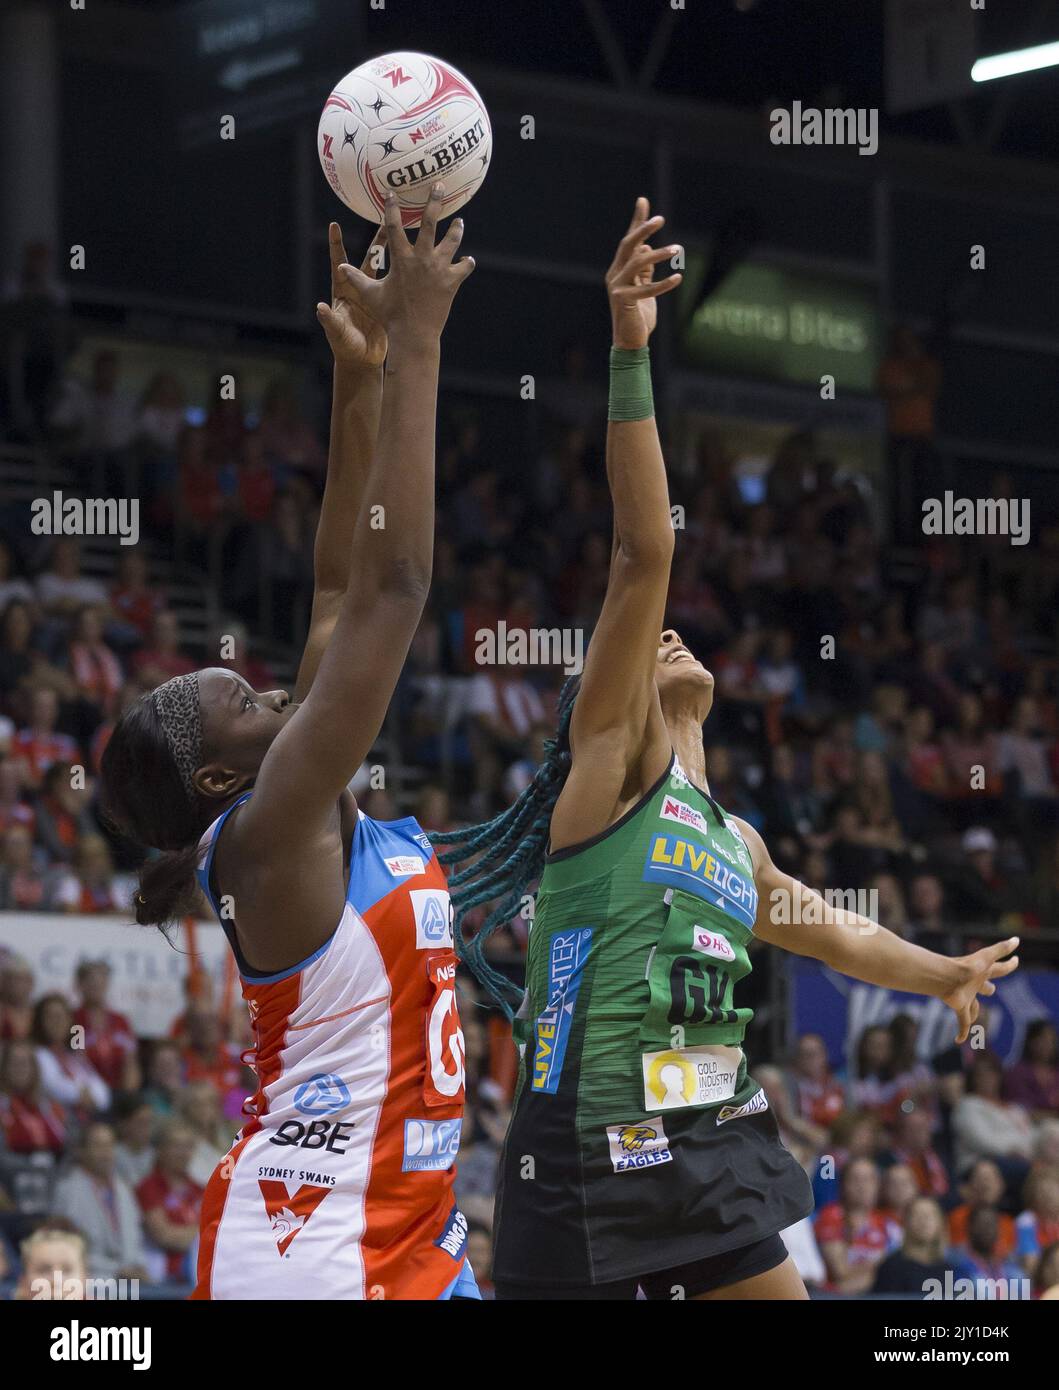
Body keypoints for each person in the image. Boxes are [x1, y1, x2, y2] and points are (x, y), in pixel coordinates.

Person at [434, 198, 1020, 1301]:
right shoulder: (602, 781)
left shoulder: (730, 838)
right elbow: (646, 544)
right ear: (596, 700)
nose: (663, 637)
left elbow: (830, 931)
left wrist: (945, 972)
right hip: (590, 1143)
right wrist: (628, 351)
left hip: (711, 1129)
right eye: (636, 645)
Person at [98, 191, 476, 1301]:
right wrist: (420, 345)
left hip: (407, 1231)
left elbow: (334, 585)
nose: (276, 694)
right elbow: (395, 587)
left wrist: (357, 381)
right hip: (315, 1242)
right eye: (250, 704)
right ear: (220, 777)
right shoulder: (270, 827)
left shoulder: (292, 798)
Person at [51, 1121, 147, 1281]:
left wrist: (139, 1267)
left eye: (110, 1145)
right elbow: (68, 1249)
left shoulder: (123, 1188)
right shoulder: (67, 1190)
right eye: (98, 1145)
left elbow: (135, 1239)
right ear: (81, 1151)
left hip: (129, 1281)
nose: (106, 1153)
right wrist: (119, 1270)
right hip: (87, 1281)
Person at [871, 1195, 950, 1295]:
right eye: (916, 1215)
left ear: (940, 1223)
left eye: (930, 1215)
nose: (923, 1221)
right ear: (906, 1222)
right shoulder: (892, 1267)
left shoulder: (948, 1268)